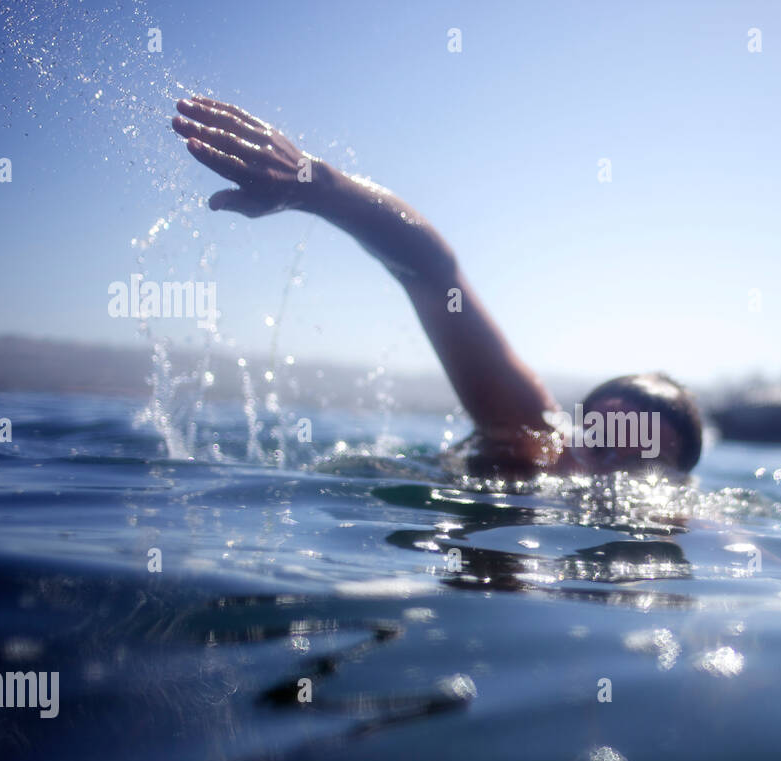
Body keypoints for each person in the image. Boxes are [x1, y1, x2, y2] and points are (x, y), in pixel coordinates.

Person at [172, 95, 702, 479]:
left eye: (640, 459)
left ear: (676, 481)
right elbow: (428, 271)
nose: (601, 467)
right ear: (572, 431)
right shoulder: (528, 436)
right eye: (597, 442)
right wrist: (318, 187)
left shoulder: (688, 522)